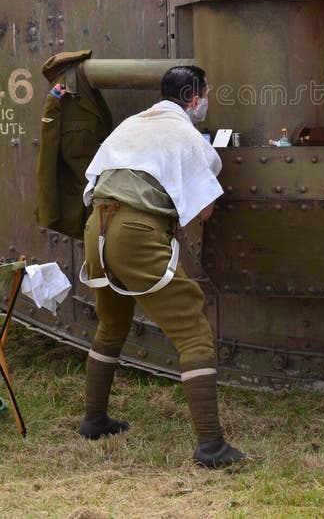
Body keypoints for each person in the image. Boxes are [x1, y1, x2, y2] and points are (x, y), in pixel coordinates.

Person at [78, 65, 244, 469]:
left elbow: (93, 178)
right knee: (193, 333)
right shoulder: (186, 136)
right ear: (193, 97)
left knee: (112, 325)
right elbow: (203, 211)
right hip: (136, 231)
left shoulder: (132, 123)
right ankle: (211, 445)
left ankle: (94, 420)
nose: (207, 100)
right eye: (206, 93)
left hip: (96, 226)